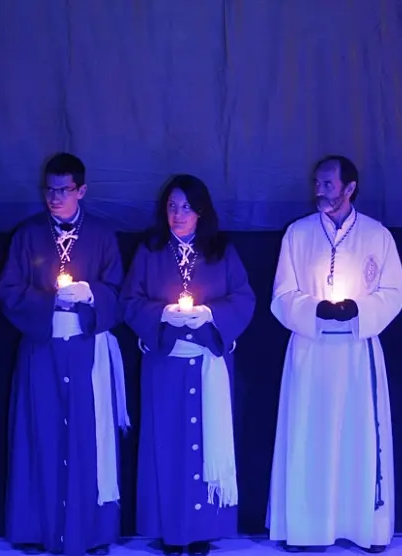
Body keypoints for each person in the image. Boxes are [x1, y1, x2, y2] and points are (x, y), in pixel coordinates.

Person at [266, 155, 402, 553]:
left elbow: (395, 292)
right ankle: (307, 529)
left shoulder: (377, 235)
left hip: (357, 350)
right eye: (317, 183)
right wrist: (315, 310)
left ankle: (364, 527)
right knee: (308, 435)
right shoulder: (298, 233)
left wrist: (358, 310)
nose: (320, 190)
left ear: (350, 188)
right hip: (311, 349)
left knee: (358, 437)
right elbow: (282, 294)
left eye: (328, 184)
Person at [0, 153, 129, 556]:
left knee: (89, 436)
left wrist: (91, 294)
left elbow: (119, 291)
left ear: (81, 190)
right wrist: (48, 302)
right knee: (41, 432)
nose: (54, 198)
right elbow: (9, 290)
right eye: (49, 190)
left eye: (63, 190)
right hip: (43, 346)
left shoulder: (102, 234)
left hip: (88, 348)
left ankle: (91, 533)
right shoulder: (28, 235)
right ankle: (40, 529)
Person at [120, 174, 255, 556]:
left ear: (201, 212)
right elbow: (130, 300)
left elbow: (244, 297)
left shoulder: (222, 251)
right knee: (167, 444)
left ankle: (202, 530)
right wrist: (162, 313)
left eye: (186, 207)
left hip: (208, 361)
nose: (178, 215)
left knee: (206, 440)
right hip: (165, 364)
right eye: (172, 206)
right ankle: (170, 530)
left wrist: (210, 314)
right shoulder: (149, 250)